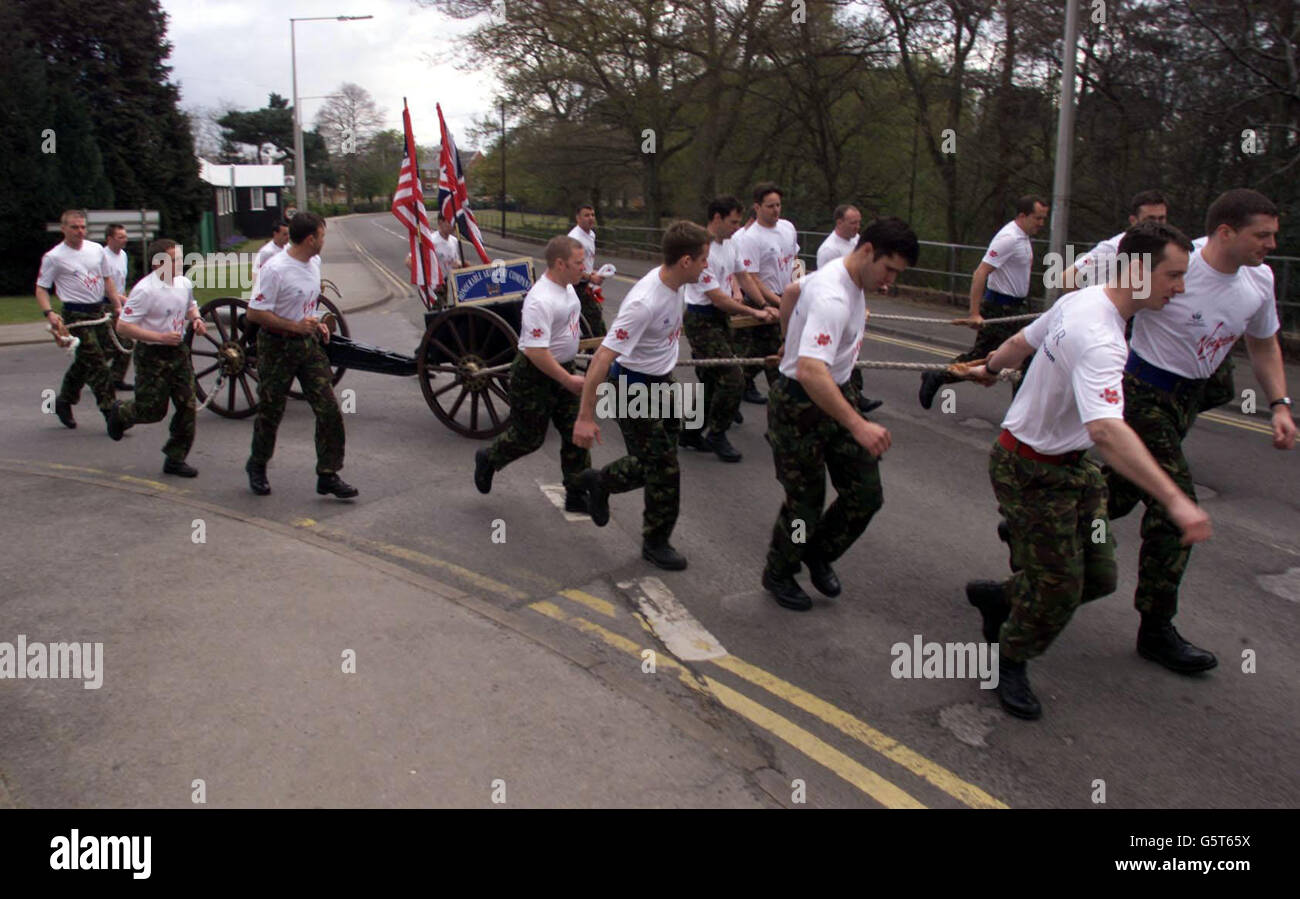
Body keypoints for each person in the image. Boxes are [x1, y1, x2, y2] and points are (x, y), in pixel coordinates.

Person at [963, 222, 1212, 720]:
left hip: (1074, 471)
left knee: (1097, 577)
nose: (1181, 289)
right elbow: (1107, 432)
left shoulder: (1088, 301)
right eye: (1174, 276)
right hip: (1028, 470)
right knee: (1059, 586)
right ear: (1139, 271)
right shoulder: (1101, 335)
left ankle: (1000, 599)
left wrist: (990, 369)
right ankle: (1007, 658)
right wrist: (1176, 499)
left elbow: (1022, 340)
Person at [1104, 189, 1294, 674]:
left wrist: (1279, 404)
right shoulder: (1178, 266)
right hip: (1142, 391)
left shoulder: (1259, 280)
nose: (1271, 244)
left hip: (1186, 401)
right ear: (1226, 233)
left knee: (1120, 495)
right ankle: (1156, 628)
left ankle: (1049, 517)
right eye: (1262, 235)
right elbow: (1107, 305)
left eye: (1274, 234)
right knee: (1174, 506)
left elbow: (1264, 344)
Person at [761, 217, 918, 611]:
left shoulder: (843, 275)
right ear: (867, 251)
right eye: (889, 270)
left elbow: (793, 291)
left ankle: (818, 554)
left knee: (865, 495)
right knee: (805, 503)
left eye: (897, 274)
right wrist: (858, 424)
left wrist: (787, 341)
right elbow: (811, 371)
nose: (889, 282)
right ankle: (779, 571)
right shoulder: (834, 294)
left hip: (837, 390)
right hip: (800, 403)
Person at [572, 221, 712, 571]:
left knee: (654, 459)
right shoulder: (644, 302)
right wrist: (586, 417)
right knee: (664, 467)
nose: (706, 266)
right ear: (685, 261)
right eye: (703, 260)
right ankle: (655, 542)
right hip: (632, 387)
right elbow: (602, 358)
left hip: (662, 380)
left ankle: (600, 482)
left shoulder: (676, 281)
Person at [244, 212, 357, 499]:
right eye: (322, 235)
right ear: (310, 239)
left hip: (307, 346)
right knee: (271, 411)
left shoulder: (314, 262)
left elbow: (307, 300)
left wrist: (316, 322)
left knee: (329, 409)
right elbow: (255, 313)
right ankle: (257, 465)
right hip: (276, 347)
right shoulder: (275, 269)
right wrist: (293, 325)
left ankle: (328, 474)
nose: (324, 240)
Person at [474, 236, 590, 510]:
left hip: (564, 368)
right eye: (578, 263)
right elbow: (537, 353)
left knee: (576, 430)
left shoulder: (568, 286)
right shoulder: (540, 300)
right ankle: (489, 458)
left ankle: (576, 493)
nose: (582, 268)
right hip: (535, 375)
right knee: (528, 438)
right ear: (560, 264)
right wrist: (567, 379)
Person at [919, 195, 1048, 409]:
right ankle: (938, 375)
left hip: (1017, 308)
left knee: (1026, 356)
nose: (1041, 224)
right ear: (1023, 216)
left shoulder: (1023, 237)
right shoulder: (1008, 238)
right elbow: (980, 273)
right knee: (984, 359)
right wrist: (974, 313)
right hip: (999, 308)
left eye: (1044, 219)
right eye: (1038, 218)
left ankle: (1024, 412)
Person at [679, 196, 775, 463]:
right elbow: (718, 298)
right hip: (702, 319)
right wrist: (755, 312)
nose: (737, 227)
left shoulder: (731, 244)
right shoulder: (701, 250)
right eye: (733, 222)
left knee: (711, 381)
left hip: (721, 320)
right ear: (717, 218)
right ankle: (717, 434)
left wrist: (764, 303)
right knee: (733, 377)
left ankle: (689, 432)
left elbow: (743, 276)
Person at [105, 240, 207, 476]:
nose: (180, 263)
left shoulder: (183, 283)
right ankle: (120, 414)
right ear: (158, 263)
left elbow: (190, 305)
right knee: (152, 410)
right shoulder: (144, 290)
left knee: (187, 406)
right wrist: (159, 337)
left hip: (178, 352)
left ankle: (175, 457)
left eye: (180, 258)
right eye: (174, 260)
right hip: (152, 355)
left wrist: (197, 319)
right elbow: (123, 327)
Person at [35, 209, 128, 430]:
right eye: (75, 227)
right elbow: (41, 288)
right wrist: (49, 313)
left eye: (83, 227)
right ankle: (112, 414)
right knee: (97, 364)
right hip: (75, 316)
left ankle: (64, 401)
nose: (80, 231)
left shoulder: (96, 250)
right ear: (64, 228)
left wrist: (116, 305)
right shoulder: (54, 257)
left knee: (97, 356)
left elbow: (107, 280)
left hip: (98, 312)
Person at [734, 182, 799, 405]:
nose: (775, 210)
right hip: (763, 298)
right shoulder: (750, 238)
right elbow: (752, 277)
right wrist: (775, 302)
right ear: (757, 207)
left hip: (786, 294)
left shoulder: (788, 228)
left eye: (778, 205)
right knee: (777, 349)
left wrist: (797, 290)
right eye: (770, 206)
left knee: (761, 350)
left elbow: (794, 261)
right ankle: (784, 400)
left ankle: (741, 381)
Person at [815, 204, 882, 415]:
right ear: (839, 223)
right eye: (853, 222)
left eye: (859, 222)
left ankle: (855, 397)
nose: (857, 226)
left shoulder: (857, 241)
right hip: (837, 309)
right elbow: (828, 285)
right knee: (838, 356)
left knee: (851, 352)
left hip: (855, 305)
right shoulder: (829, 250)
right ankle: (848, 404)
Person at [102, 223, 134, 390]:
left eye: (125, 236)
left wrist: (124, 297)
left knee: (124, 343)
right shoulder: (103, 257)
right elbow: (104, 285)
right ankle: (88, 369)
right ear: (109, 239)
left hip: (119, 303)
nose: (124, 240)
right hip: (105, 305)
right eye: (120, 237)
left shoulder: (123, 255)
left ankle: (116, 378)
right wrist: (120, 299)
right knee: (118, 343)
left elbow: (120, 282)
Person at [567, 204, 607, 336]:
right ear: (578, 218)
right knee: (595, 323)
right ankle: (596, 351)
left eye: (592, 215)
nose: (591, 218)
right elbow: (571, 267)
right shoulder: (575, 238)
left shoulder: (591, 235)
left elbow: (586, 262)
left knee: (594, 321)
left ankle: (593, 349)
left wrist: (593, 272)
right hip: (576, 286)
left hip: (586, 284)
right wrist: (590, 277)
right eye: (586, 215)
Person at [431, 215, 463, 307]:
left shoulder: (454, 241)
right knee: (438, 314)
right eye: (450, 222)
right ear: (440, 222)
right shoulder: (432, 241)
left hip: (445, 282)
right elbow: (410, 261)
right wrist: (429, 283)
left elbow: (455, 261)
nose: (453, 225)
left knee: (445, 313)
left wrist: (459, 264)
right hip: (434, 285)